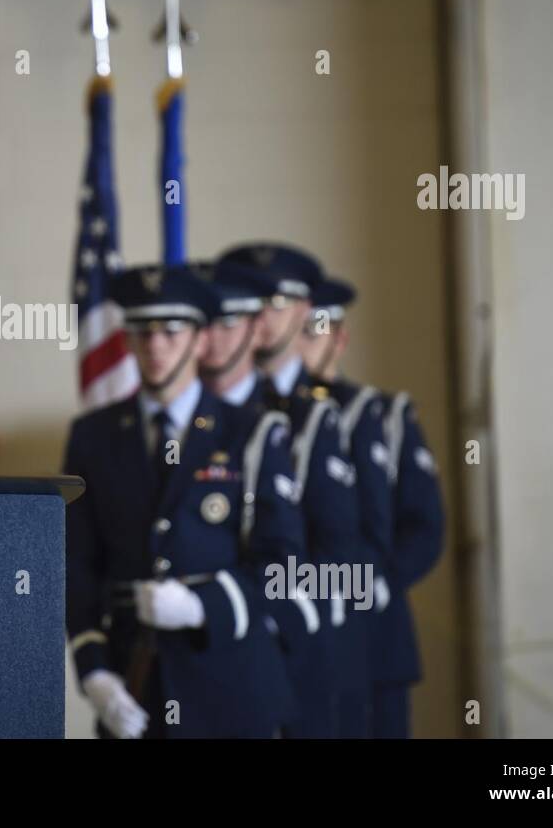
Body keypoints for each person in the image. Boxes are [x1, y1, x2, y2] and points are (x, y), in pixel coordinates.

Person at [63, 264, 300, 738]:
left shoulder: (252, 433)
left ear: (199, 339)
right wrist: (94, 671)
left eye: (172, 330)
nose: (155, 346)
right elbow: (76, 564)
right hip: (135, 685)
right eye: (142, 331)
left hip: (231, 688)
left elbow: (283, 564)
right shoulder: (93, 437)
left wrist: (201, 605)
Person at [217, 242, 363, 737]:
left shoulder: (318, 414)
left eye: (276, 304)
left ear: (306, 311)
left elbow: (339, 548)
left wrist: (279, 614)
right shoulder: (214, 411)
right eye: (248, 304)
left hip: (295, 642)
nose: (262, 317)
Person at [300, 275, 445, 738]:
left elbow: (425, 525)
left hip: (376, 631)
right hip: (298, 621)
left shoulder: (384, 415)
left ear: (340, 338)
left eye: (313, 329)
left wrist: (377, 585)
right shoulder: (263, 416)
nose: (299, 342)